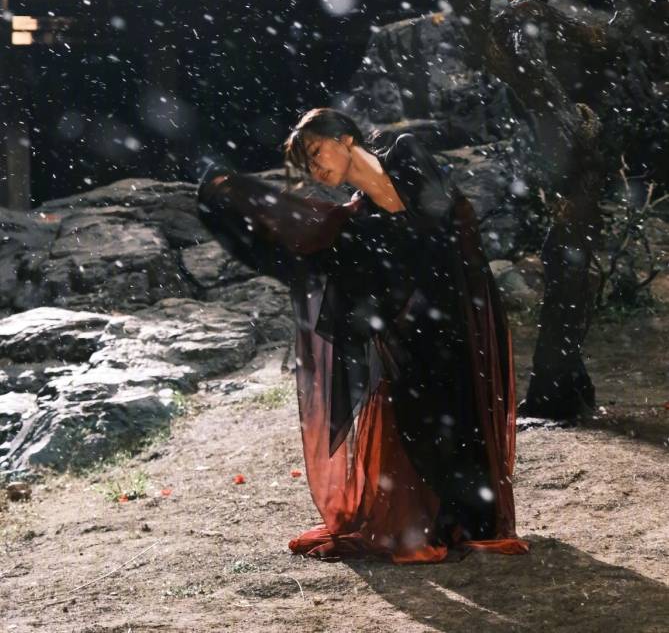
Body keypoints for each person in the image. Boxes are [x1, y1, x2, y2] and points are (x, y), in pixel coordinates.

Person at [197, 108, 528, 563]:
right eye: (306, 164)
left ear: (346, 138)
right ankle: (435, 524)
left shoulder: (406, 154)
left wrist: (374, 238)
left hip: (459, 309)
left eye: (316, 151)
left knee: (464, 411)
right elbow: (313, 256)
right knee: (420, 419)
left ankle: (471, 521)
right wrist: (236, 197)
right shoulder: (356, 218)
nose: (315, 168)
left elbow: (441, 220)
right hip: (412, 330)